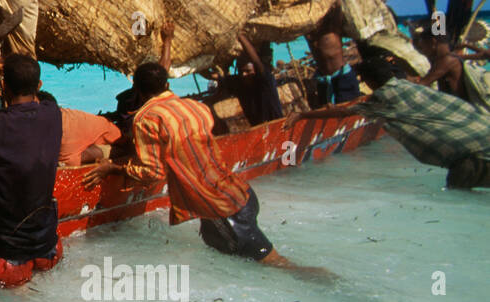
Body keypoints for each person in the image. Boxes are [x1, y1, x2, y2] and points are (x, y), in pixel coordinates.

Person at [83, 62, 327, 275]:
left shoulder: (147, 118)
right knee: (232, 267)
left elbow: (153, 173)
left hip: (223, 211)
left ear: (136, 89)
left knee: (282, 267)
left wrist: (113, 168)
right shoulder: (194, 107)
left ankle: (325, 280)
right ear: (167, 84)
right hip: (240, 193)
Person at [288, 58, 490, 189]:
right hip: (483, 141)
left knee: (456, 195)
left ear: (369, 82)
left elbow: (345, 113)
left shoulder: (384, 98)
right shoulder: (408, 86)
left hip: (473, 158)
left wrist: (303, 116)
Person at [0, 54, 63, 287]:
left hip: (6, 249)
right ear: (38, 86)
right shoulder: (53, 113)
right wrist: (8, 67)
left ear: (3, 86)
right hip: (46, 243)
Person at [208, 31, 284, 126]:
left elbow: (256, 61)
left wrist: (240, 36)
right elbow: (214, 76)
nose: (244, 74)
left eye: (248, 71)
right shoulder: (239, 84)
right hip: (258, 129)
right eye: (241, 71)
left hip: (277, 125)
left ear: (255, 70)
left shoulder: (265, 81)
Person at [306, 4, 360, 107]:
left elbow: (337, 7)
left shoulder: (331, 26)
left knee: (348, 112)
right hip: (323, 80)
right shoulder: (308, 30)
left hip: (342, 76)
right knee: (327, 116)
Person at [57, 106, 121, 166]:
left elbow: (69, 167)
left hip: (114, 145)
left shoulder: (66, 135)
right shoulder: (58, 116)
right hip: (94, 135)